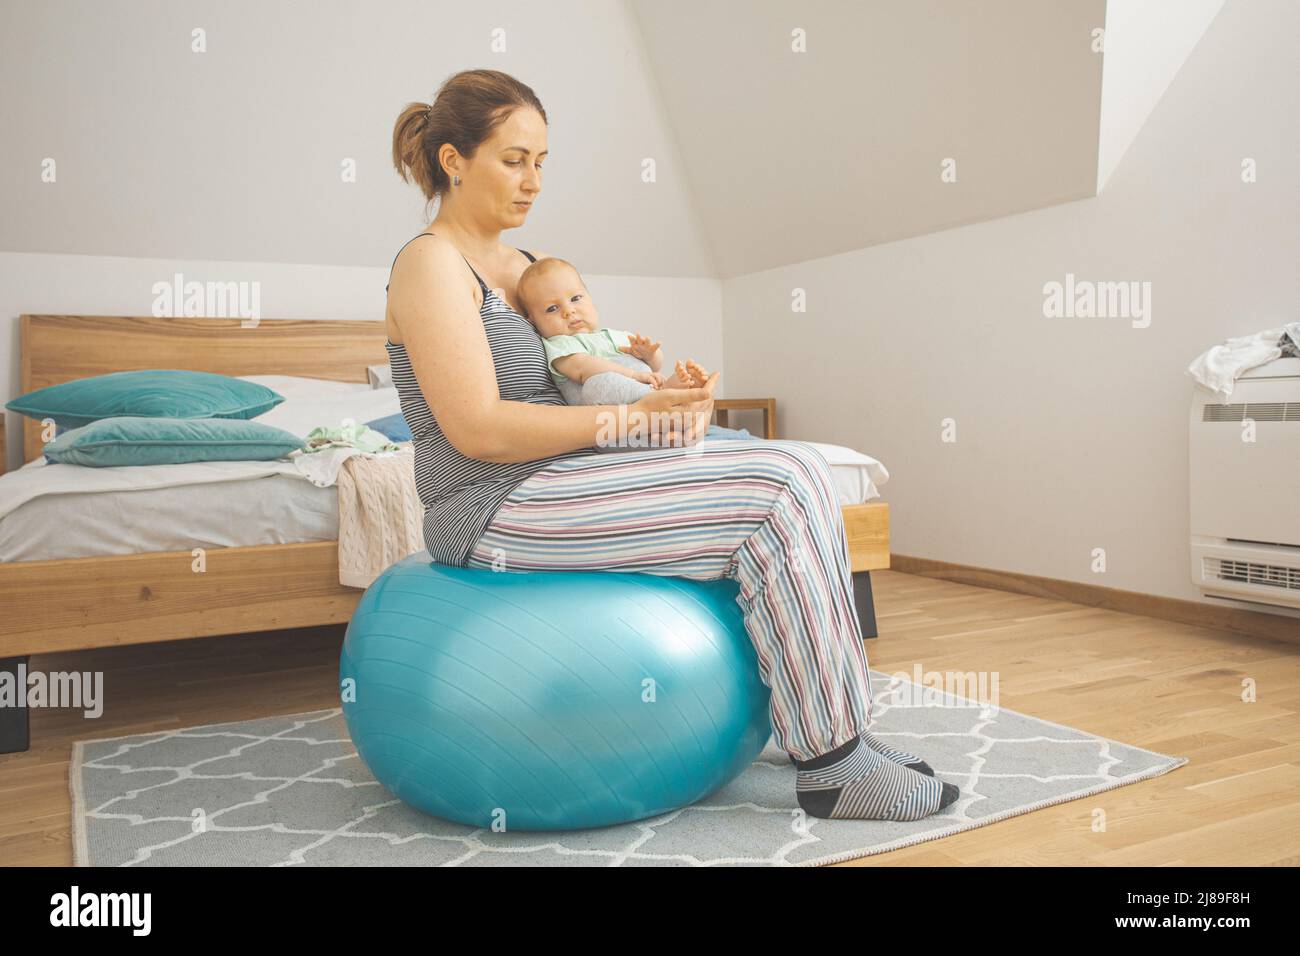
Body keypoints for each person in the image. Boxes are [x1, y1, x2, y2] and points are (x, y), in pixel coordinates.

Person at [386, 68, 958, 822]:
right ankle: (835, 766)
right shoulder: (429, 265)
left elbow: (579, 377)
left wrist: (663, 406)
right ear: (453, 160)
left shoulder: (527, 271)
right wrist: (629, 424)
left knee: (799, 463)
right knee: (776, 488)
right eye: (513, 160)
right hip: (491, 503)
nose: (532, 182)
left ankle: (840, 731)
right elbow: (479, 429)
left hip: (566, 475)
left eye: (542, 162)